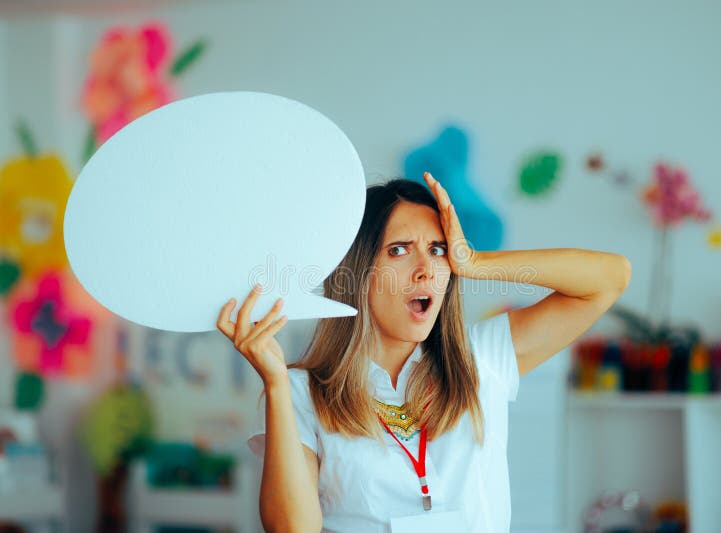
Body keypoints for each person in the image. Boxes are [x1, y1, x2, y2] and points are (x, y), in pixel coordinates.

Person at [216, 172, 631, 532]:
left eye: (436, 249)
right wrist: (273, 382)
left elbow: (610, 278)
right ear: (357, 272)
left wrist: (474, 261)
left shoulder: (481, 357)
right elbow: (292, 528)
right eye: (399, 249)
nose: (425, 268)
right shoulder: (299, 391)